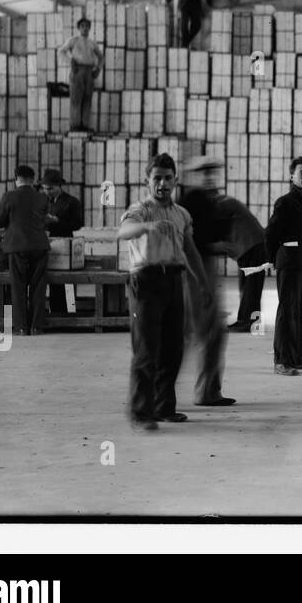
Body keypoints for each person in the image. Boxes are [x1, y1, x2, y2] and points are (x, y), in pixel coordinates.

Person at [117, 153, 210, 430]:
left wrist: (203, 285)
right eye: (156, 178)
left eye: (168, 178)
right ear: (147, 181)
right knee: (146, 350)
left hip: (174, 281)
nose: (162, 184)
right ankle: (140, 412)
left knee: (173, 349)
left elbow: (191, 252)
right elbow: (123, 232)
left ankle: (164, 407)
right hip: (145, 283)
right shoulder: (140, 210)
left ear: (175, 180)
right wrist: (147, 227)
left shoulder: (181, 214)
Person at [176, 157, 236, 407]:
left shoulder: (210, 200)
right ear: (193, 175)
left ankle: (209, 391)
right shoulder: (190, 201)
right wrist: (215, 245)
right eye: (204, 173)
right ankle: (203, 392)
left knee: (210, 333)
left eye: (212, 173)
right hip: (194, 270)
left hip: (206, 268)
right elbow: (187, 242)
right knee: (204, 333)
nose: (210, 177)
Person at [265, 156, 302, 376]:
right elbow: (270, 233)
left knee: (300, 311)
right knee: (287, 311)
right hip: (289, 262)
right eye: (301, 173)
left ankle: (298, 357)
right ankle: (282, 360)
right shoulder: (285, 202)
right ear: (291, 176)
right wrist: (270, 259)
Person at [0, 165, 51, 337]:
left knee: (18, 287)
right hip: (40, 246)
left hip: (17, 247)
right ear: (33, 180)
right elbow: (43, 219)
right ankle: (36, 327)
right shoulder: (42, 198)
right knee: (38, 287)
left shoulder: (9, 196)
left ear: (16, 178)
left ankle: (21, 327)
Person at [218, 194, 270, 333]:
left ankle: (248, 322)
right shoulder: (227, 203)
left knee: (251, 287)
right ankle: (247, 320)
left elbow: (215, 227)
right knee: (247, 286)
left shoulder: (223, 204)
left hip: (252, 245)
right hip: (250, 246)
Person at [41, 168, 83, 318]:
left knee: (68, 281)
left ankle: (70, 312)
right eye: (45, 189)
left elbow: (77, 224)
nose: (47, 192)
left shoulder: (72, 202)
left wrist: (57, 221)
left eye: (50, 189)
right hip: (48, 245)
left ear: (59, 186)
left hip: (66, 245)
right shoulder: (42, 201)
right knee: (53, 280)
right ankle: (56, 312)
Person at [57, 18, 105, 133]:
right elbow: (61, 51)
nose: (85, 28)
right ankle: (75, 126)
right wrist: (70, 61)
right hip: (77, 71)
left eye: (87, 26)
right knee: (76, 99)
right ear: (79, 28)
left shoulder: (92, 43)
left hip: (89, 73)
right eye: (82, 26)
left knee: (87, 99)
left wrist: (98, 69)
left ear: (89, 28)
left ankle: (85, 125)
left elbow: (101, 57)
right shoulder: (73, 40)